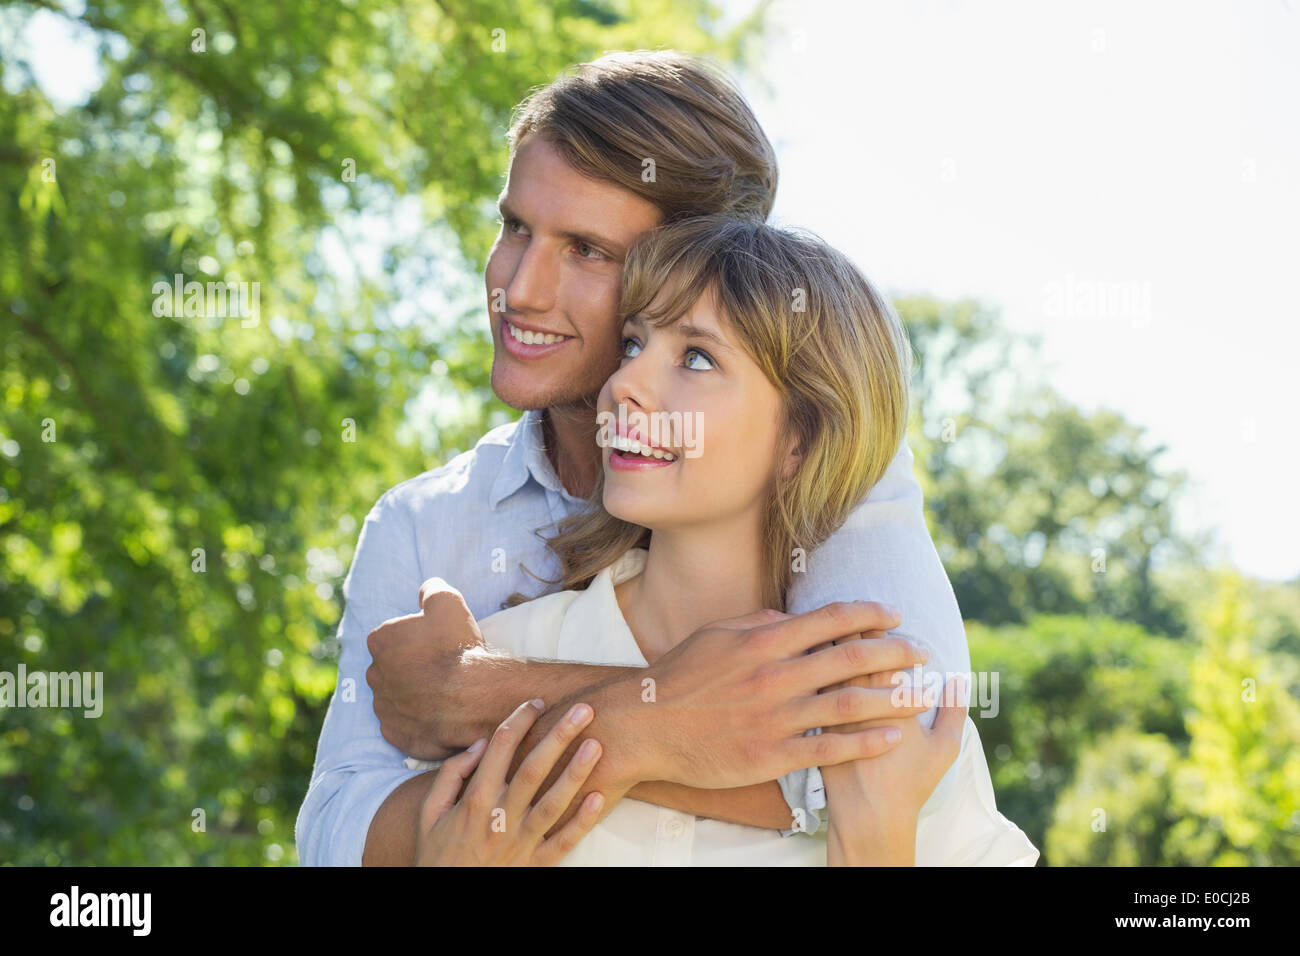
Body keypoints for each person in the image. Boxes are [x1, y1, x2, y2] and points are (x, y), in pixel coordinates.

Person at [297, 50, 972, 867]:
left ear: (699, 267)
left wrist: (483, 697)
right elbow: (335, 831)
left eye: (587, 249)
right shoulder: (425, 525)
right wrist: (659, 724)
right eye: (515, 227)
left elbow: (895, 746)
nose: (521, 287)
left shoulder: (827, 472)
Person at [408, 215, 1038, 865]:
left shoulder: (907, 729)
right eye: (632, 344)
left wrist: (873, 841)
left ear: (801, 438)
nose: (623, 386)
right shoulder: (512, 650)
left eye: (697, 357)